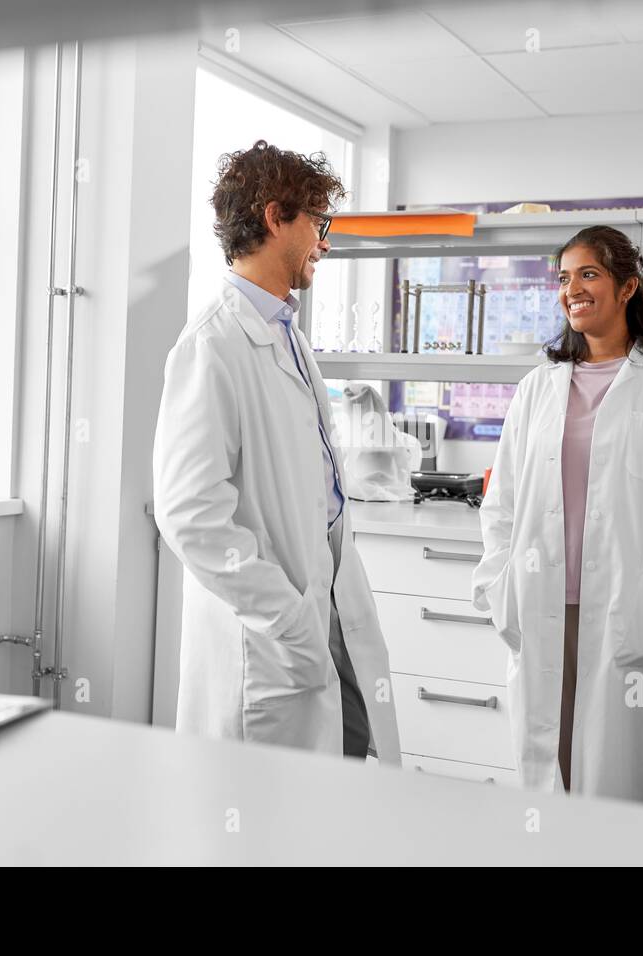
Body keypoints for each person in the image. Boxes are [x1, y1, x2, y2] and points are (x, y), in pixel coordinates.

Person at [152, 140, 399, 762]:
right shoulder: (211, 346)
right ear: (273, 217)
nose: (326, 241)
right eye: (319, 222)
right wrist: (289, 621)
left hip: (324, 611)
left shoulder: (284, 333)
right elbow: (189, 513)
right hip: (270, 642)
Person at [472, 225, 643, 799]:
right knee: (547, 765)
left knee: (613, 779)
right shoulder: (539, 386)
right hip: (539, 603)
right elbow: (502, 500)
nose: (572, 289)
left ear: (628, 286)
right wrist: (498, 584)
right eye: (564, 278)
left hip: (620, 608)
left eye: (589, 274)